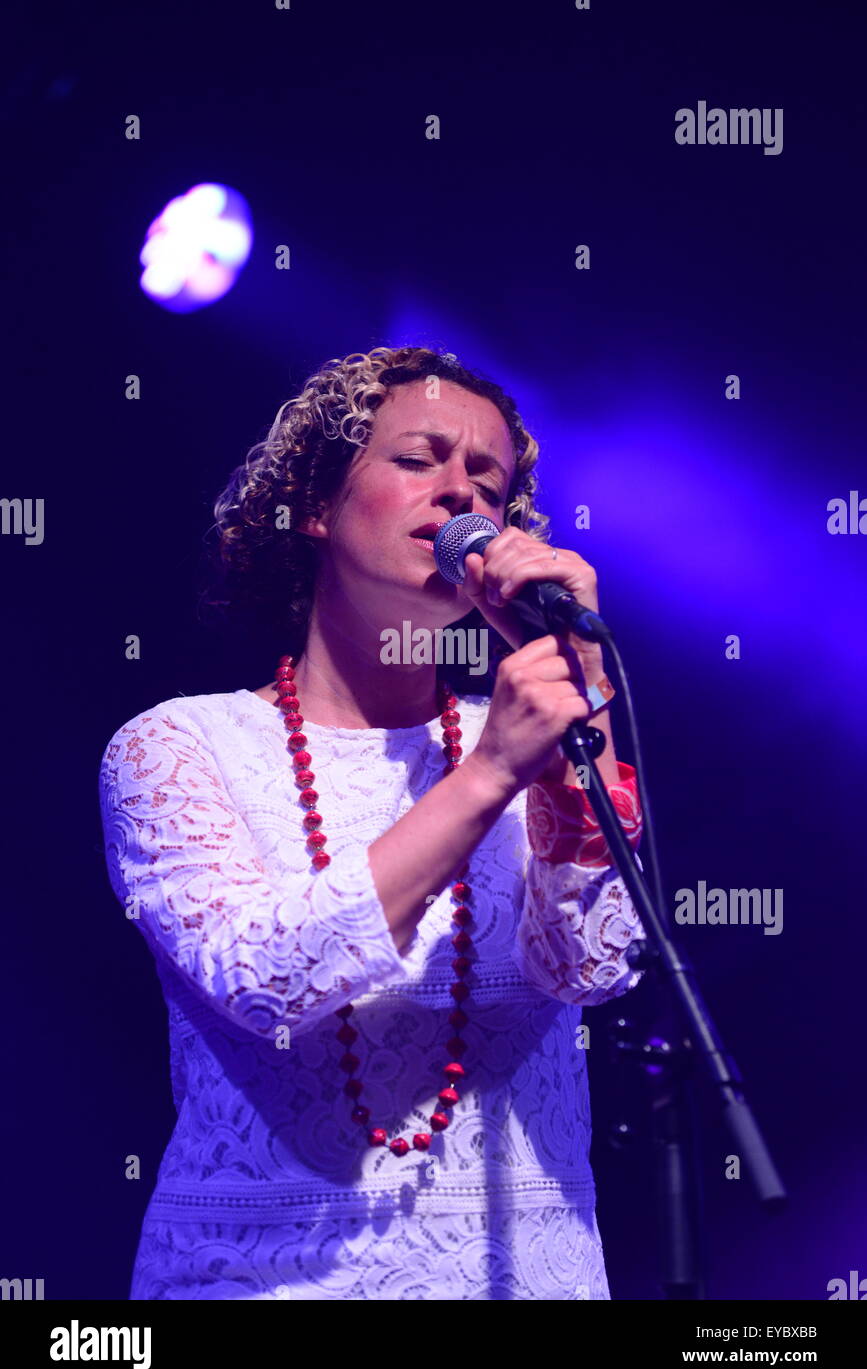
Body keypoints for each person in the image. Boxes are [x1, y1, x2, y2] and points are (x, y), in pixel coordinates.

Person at [99, 345, 646, 1301]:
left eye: (488, 479)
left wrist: (578, 702)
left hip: (523, 1276)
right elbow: (266, 980)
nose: (459, 495)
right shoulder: (177, 745)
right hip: (263, 1281)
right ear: (315, 505)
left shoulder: (529, 732)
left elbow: (594, 966)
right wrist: (488, 775)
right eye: (417, 460)